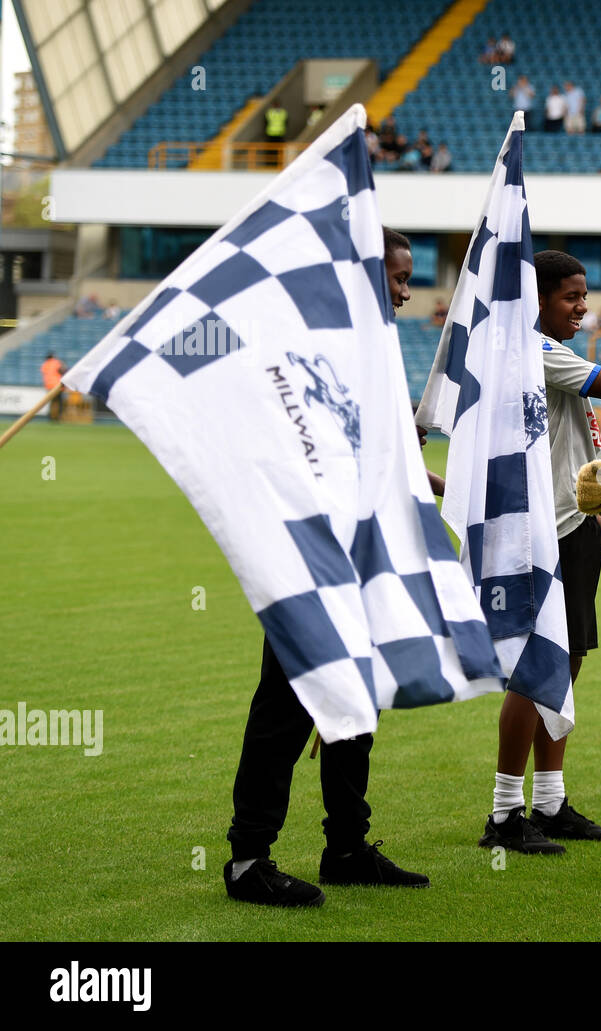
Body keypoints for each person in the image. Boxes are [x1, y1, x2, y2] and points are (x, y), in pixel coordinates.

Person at [223, 228, 426, 908]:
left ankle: (346, 848)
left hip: (355, 560)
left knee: (355, 703)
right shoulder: (314, 353)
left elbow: (371, 462)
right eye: (397, 277)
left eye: (408, 278)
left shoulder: (372, 355)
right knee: (284, 710)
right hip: (303, 559)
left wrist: (432, 483)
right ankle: (247, 858)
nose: (406, 290)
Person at [477, 251, 601, 854]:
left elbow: (568, 459)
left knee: (568, 659)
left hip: (573, 526)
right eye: (571, 297)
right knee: (535, 667)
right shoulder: (535, 350)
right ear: (540, 300)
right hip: (540, 536)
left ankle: (549, 802)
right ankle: (504, 813)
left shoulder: (552, 354)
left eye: (584, 295)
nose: (582, 306)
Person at [41, 353, 66, 421]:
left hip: (49, 386)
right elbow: (63, 370)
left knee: (52, 402)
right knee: (58, 402)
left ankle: (52, 416)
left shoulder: (45, 364)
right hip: (57, 385)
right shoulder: (56, 362)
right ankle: (57, 417)